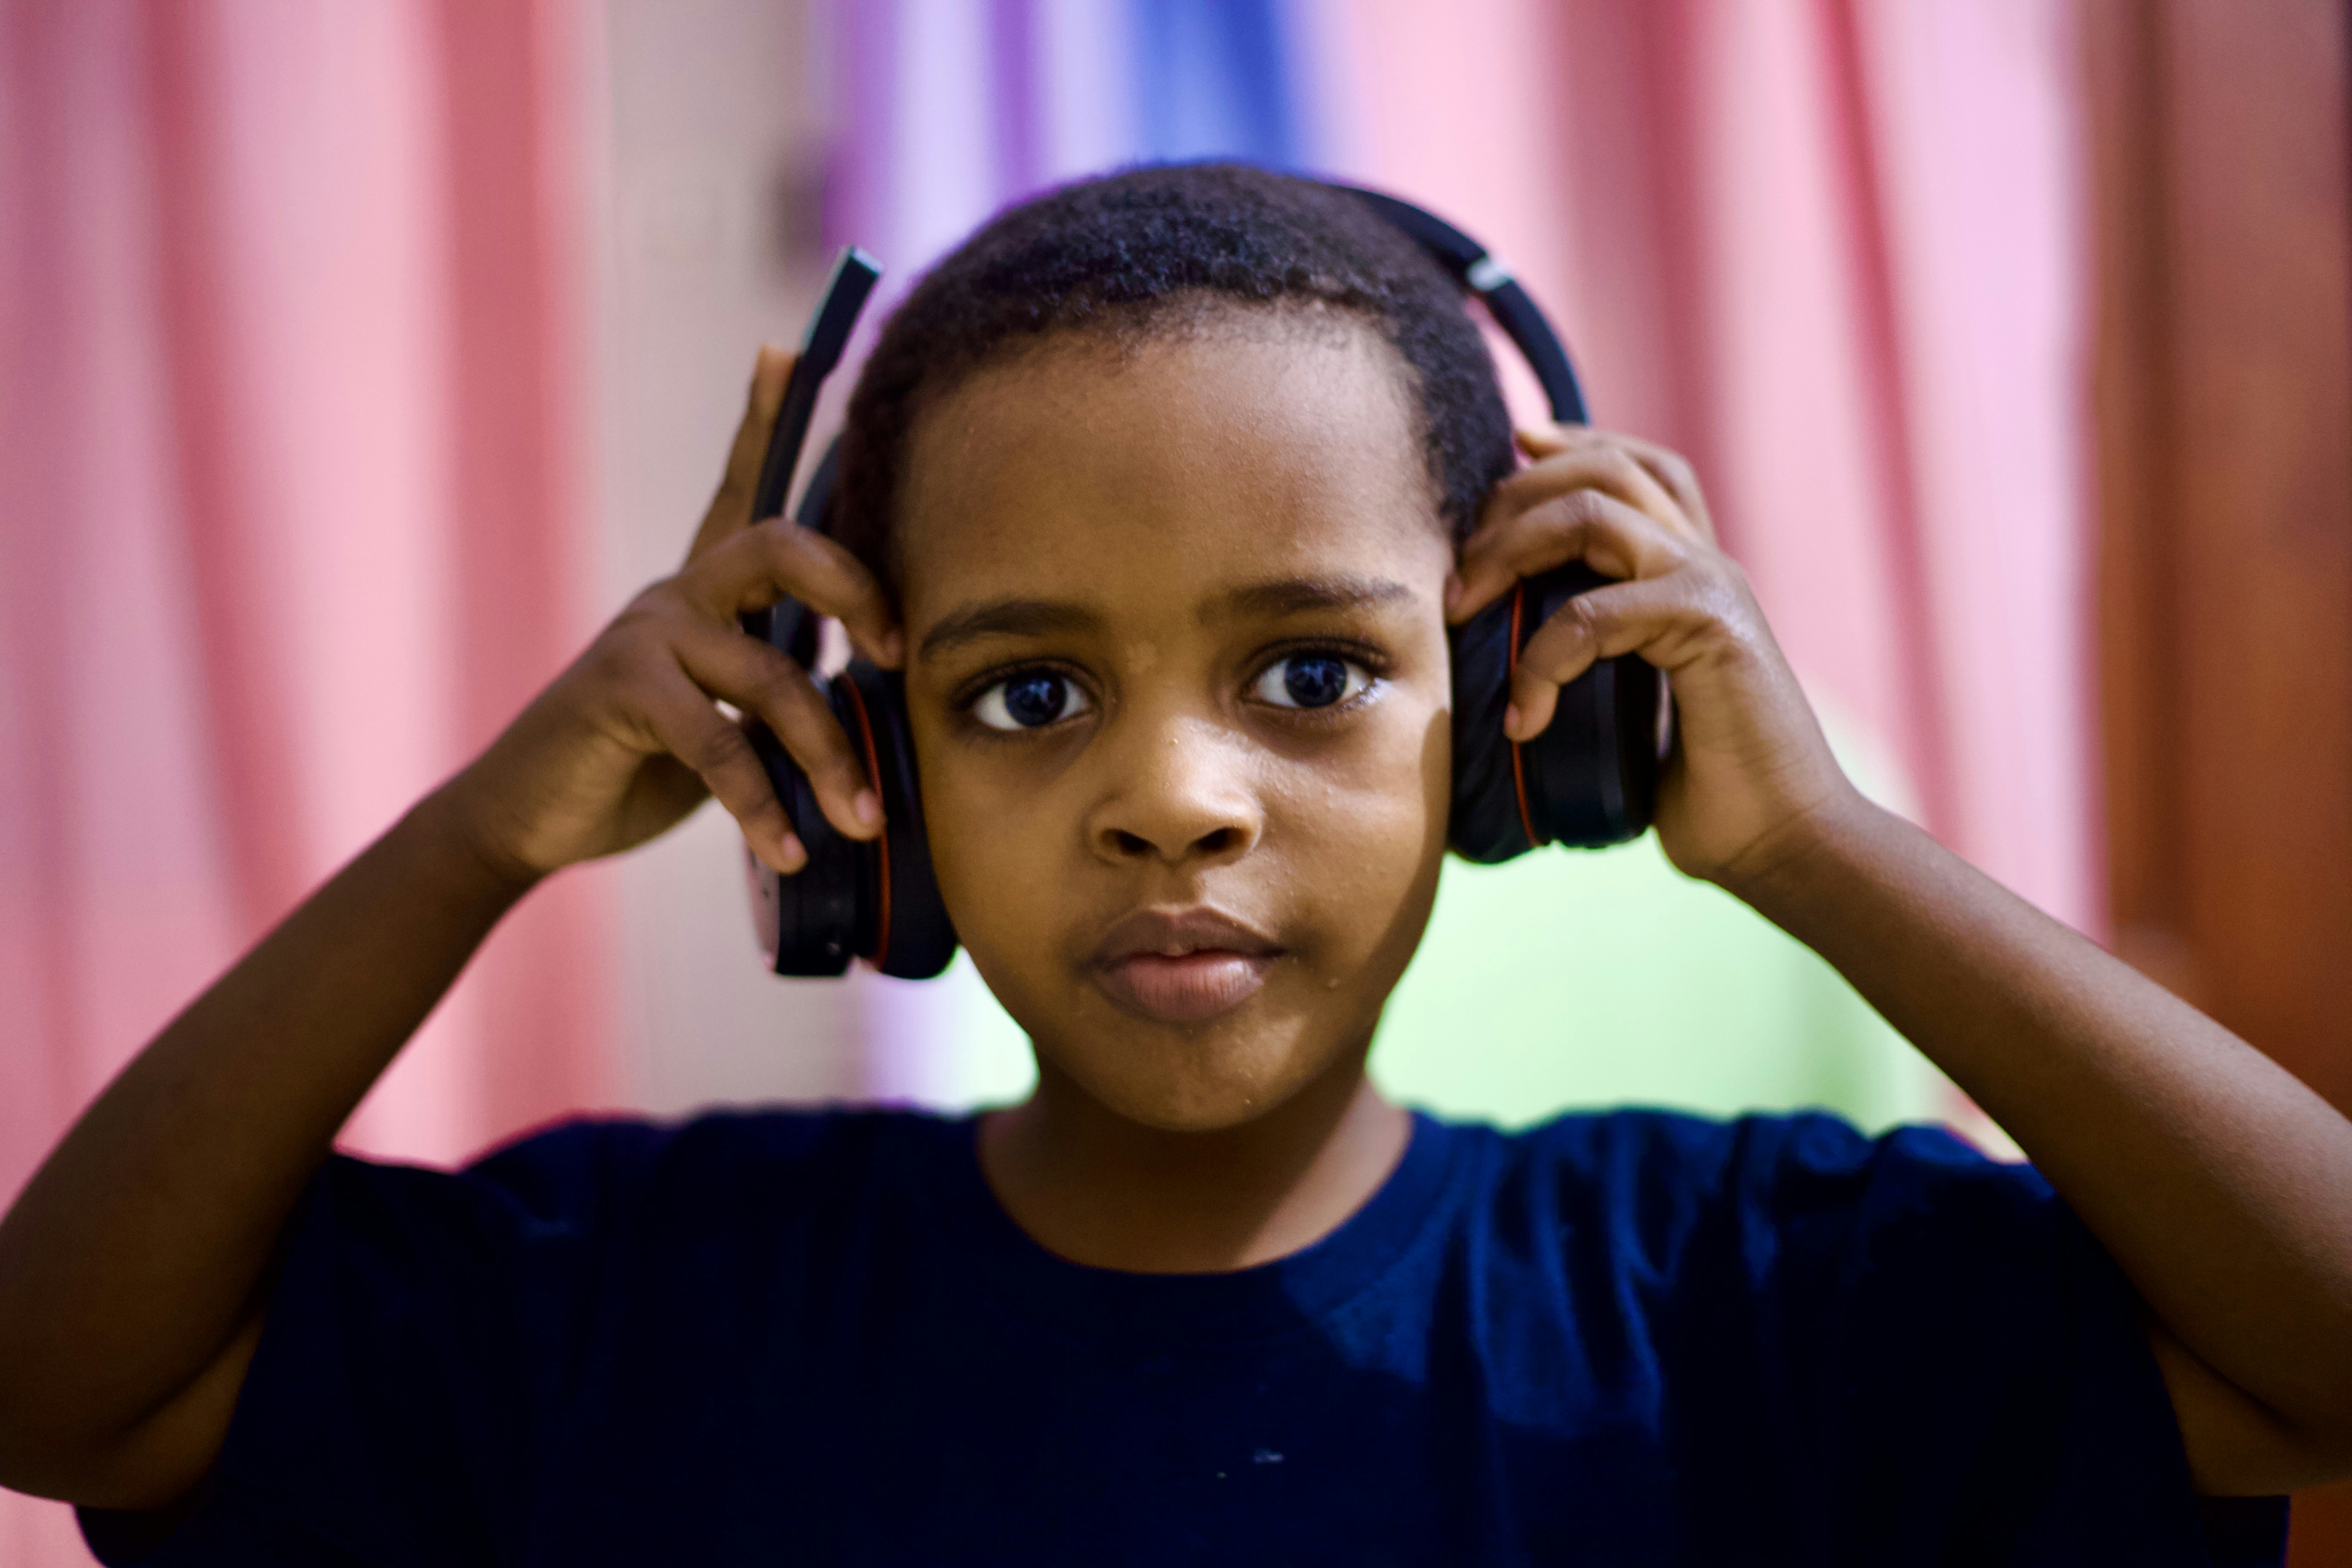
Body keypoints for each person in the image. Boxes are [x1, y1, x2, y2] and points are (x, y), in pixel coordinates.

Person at [1, 164, 2346, 1566]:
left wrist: (1823, 848)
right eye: (1026, 696)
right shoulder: (640, 1295)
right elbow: (64, 1383)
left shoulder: (1740, 1302)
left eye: (1314, 676)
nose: (1177, 802)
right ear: (866, 766)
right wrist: (493, 826)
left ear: (1527, 701)